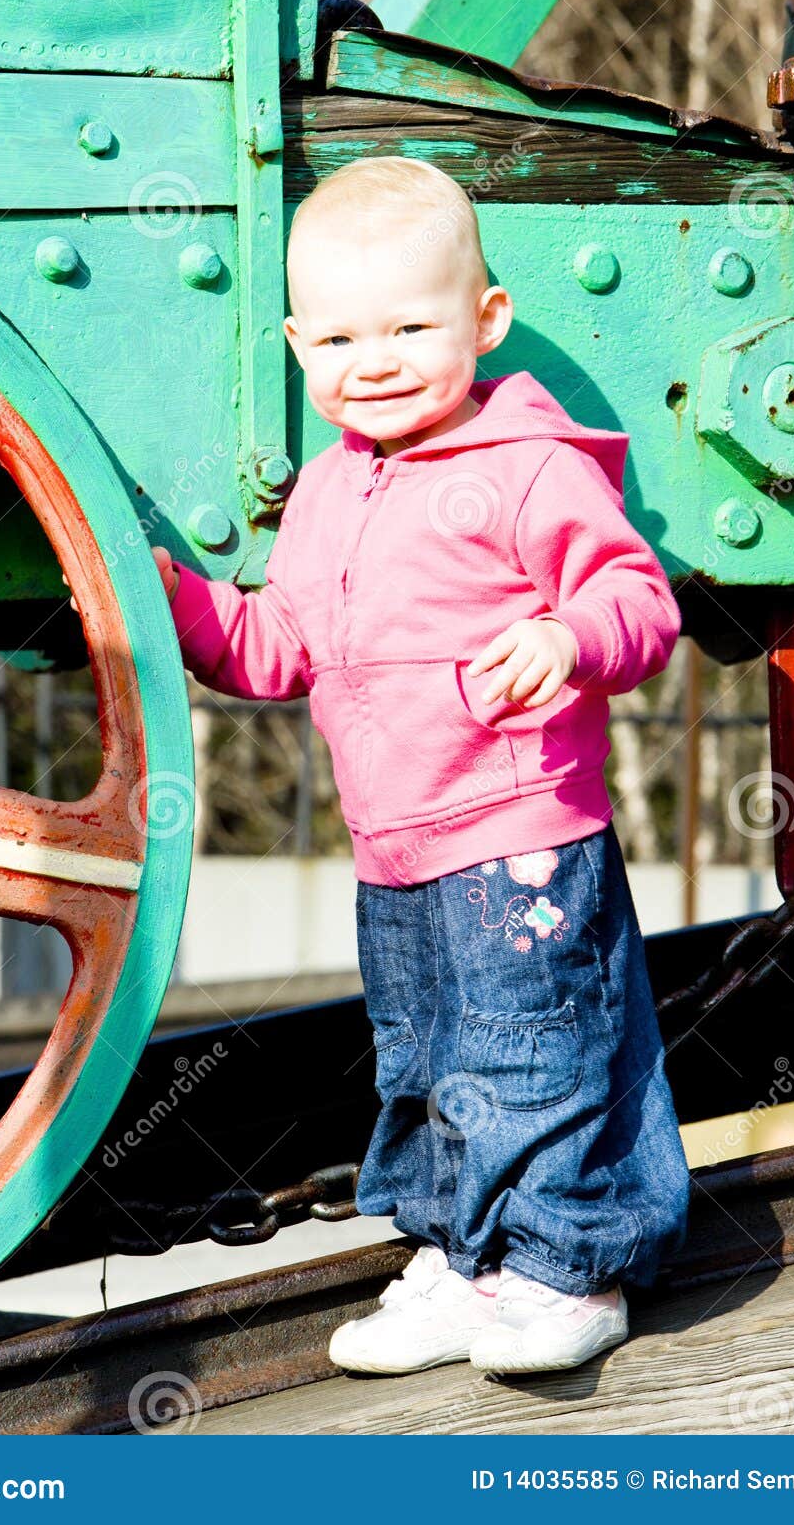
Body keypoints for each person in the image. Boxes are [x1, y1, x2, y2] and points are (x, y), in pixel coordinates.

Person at [151, 155, 691, 1378]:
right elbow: (277, 646)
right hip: (392, 849)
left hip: (518, 833)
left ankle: (567, 1269)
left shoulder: (525, 465)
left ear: (484, 322)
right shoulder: (329, 493)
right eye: (339, 335)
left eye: (409, 324)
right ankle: (463, 1257)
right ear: (296, 344)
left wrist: (566, 635)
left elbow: (635, 599)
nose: (375, 358)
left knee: (533, 1051)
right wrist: (170, 594)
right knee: (428, 1058)